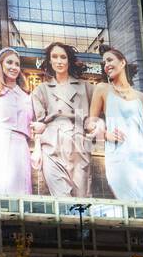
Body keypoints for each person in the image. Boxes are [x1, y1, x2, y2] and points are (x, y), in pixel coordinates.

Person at [89, 46, 143, 202]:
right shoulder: (102, 89)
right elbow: (89, 123)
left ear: (122, 62)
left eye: (109, 60)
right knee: (130, 205)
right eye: (103, 63)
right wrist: (105, 134)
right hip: (118, 158)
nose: (106, 65)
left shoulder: (142, 97)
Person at [29, 41, 95, 198]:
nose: (59, 61)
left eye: (63, 57)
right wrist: (37, 149)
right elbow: (39, 124)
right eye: (55, 57)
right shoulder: (40, 90)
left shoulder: (85, 87)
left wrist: (96, 126)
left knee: (82, 202)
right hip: (51, 146)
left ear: (69, 60)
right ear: (50, 61)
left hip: (78, 146)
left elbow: (96, 116)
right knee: (62, 200)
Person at [0, 47, 33, 196]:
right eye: (9, 62)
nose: (14, 67)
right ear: (1, 65)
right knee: (0, 189)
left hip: (21, 146)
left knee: (22, 190)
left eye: (17, 64)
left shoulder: (27, 97)